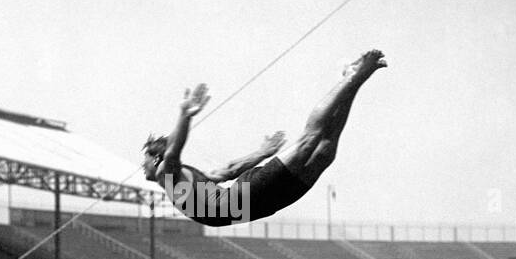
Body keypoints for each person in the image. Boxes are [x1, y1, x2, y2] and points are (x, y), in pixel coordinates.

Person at [141, 49, 387, 226]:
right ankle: (353, 81)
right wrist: (261, 154)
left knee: (309, 141)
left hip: (244, 200)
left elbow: (173, 150)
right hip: (256, 206)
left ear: (155, 159)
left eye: (144, 160)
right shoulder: (185, 179)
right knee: (324, 152)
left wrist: (184, 116)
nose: (142, 166)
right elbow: (227, 170)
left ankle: (350, 78)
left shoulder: (167, 172)